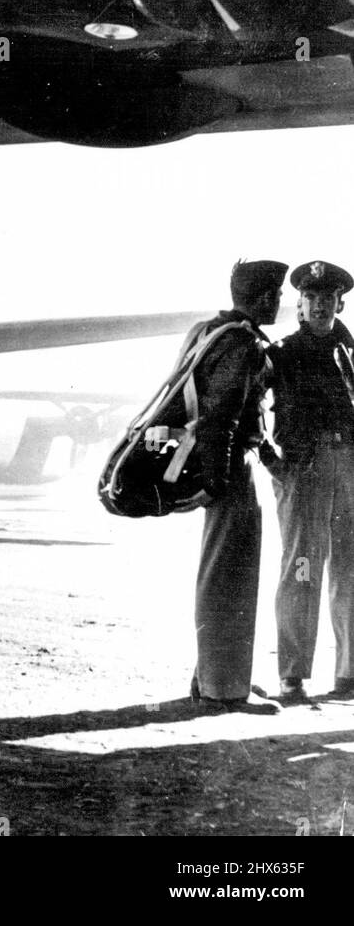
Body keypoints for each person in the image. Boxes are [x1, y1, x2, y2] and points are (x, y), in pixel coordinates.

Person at [184, 259, 287, 714]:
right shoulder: (243, 344)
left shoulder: (208, 332)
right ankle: (223, 690)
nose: (279, 303)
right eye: (277, 296)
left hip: (223, 467)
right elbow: (221, 417)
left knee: (220, 574)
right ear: (264, 298)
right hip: (230, 472)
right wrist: (218, 481)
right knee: (232, 579)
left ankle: (215, 676)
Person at [267, 260, 354, 704]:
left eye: (329, 299)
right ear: (300, 304)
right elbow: (250, 411)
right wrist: (274, 463)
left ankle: (349, 673)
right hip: (308, 468)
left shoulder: (349, 352)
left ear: (340, 303)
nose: (321, 306)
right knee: (302, 568)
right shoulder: (282, 353)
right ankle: (293, 674)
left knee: (351, 568)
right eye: (312, 298)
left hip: (350, 465)